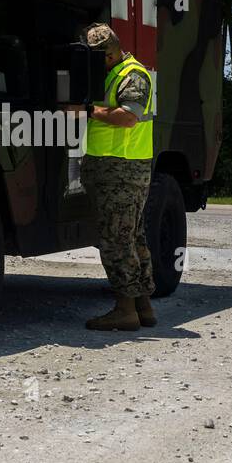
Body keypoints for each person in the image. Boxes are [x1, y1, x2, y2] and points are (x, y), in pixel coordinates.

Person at [80, 23, 156, 330]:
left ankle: (125, 309)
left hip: (122, 170)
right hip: (119, 169)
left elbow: (128, 117)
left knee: (116, 239)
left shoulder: (133, 74)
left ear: (108, 54)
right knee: (132, 236)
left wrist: (90, 111)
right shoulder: (116, 73)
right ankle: (143, 306)